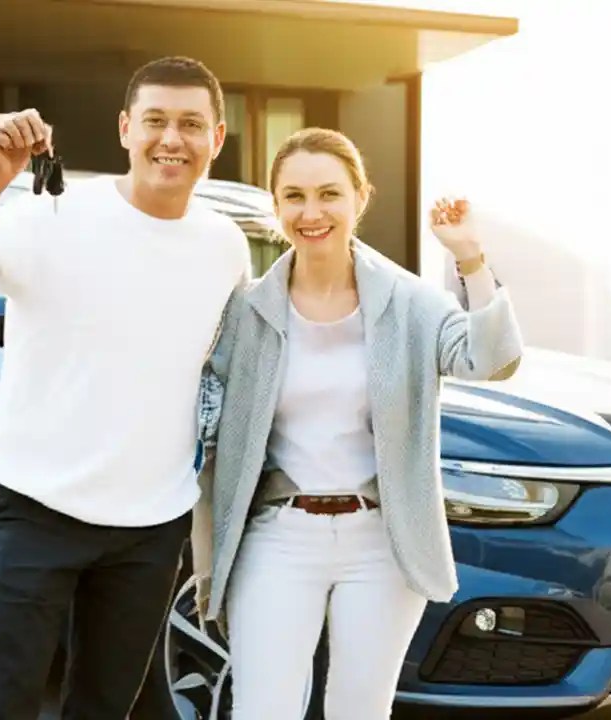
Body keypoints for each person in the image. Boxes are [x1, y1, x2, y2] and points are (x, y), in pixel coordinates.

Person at [0, 56, 252, 720]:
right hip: (34, 507)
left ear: (217, 137)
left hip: (150, 527)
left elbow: (235, 364)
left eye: (190, 124)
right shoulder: (52, 216)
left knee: (104, 709)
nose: (171, 139)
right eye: (154, 121)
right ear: (126, 129)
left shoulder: (225, 245)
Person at [191, 127, 524, 719]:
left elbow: (492, 359)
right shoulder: (245, 311)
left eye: (328, 194)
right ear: (276, 206)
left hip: (381, 543)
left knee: (359, 711)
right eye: (293, 196)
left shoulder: (410, 303)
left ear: (360, 198)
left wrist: (469, 257)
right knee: (262, 709)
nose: (311, 212)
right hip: (277, 535)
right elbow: (208, 428)